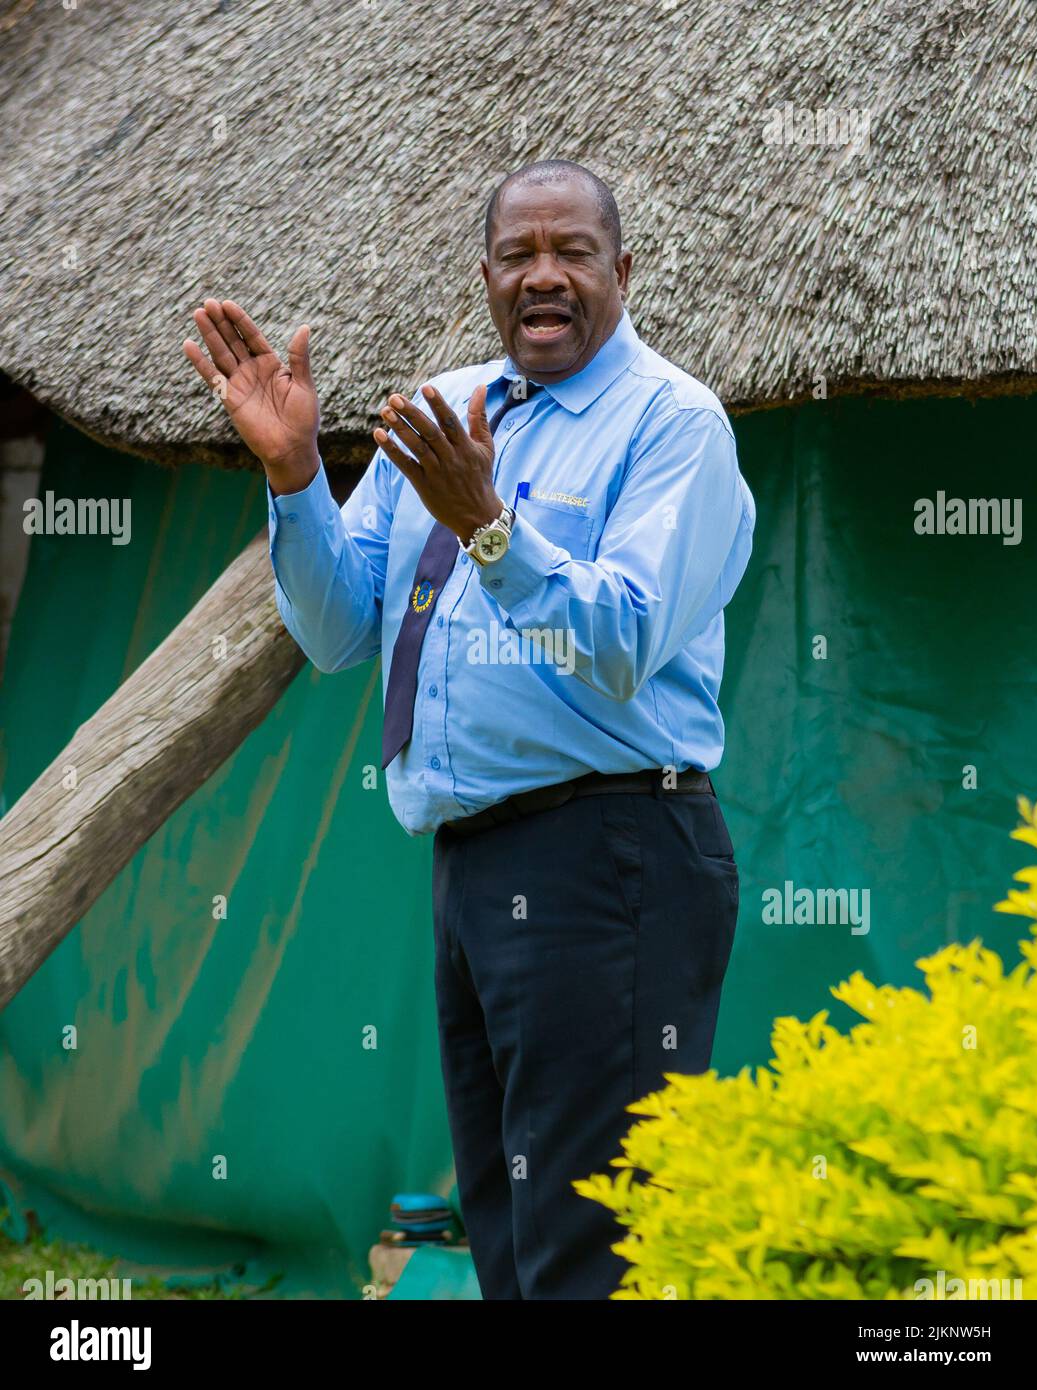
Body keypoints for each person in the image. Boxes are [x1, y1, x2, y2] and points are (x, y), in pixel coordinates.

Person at [183, 159, 755, 1300]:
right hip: (473, 863)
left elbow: (626, 634)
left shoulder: (675, 426)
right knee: (505, 1233)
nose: (544, 277)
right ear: (486, 275)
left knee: (589, 1242)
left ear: (623, 271)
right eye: (518, 255)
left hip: (614, 859)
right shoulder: (443, 414)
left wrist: (491, 528)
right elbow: (344, 630)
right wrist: (296, 476)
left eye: (573, 253)